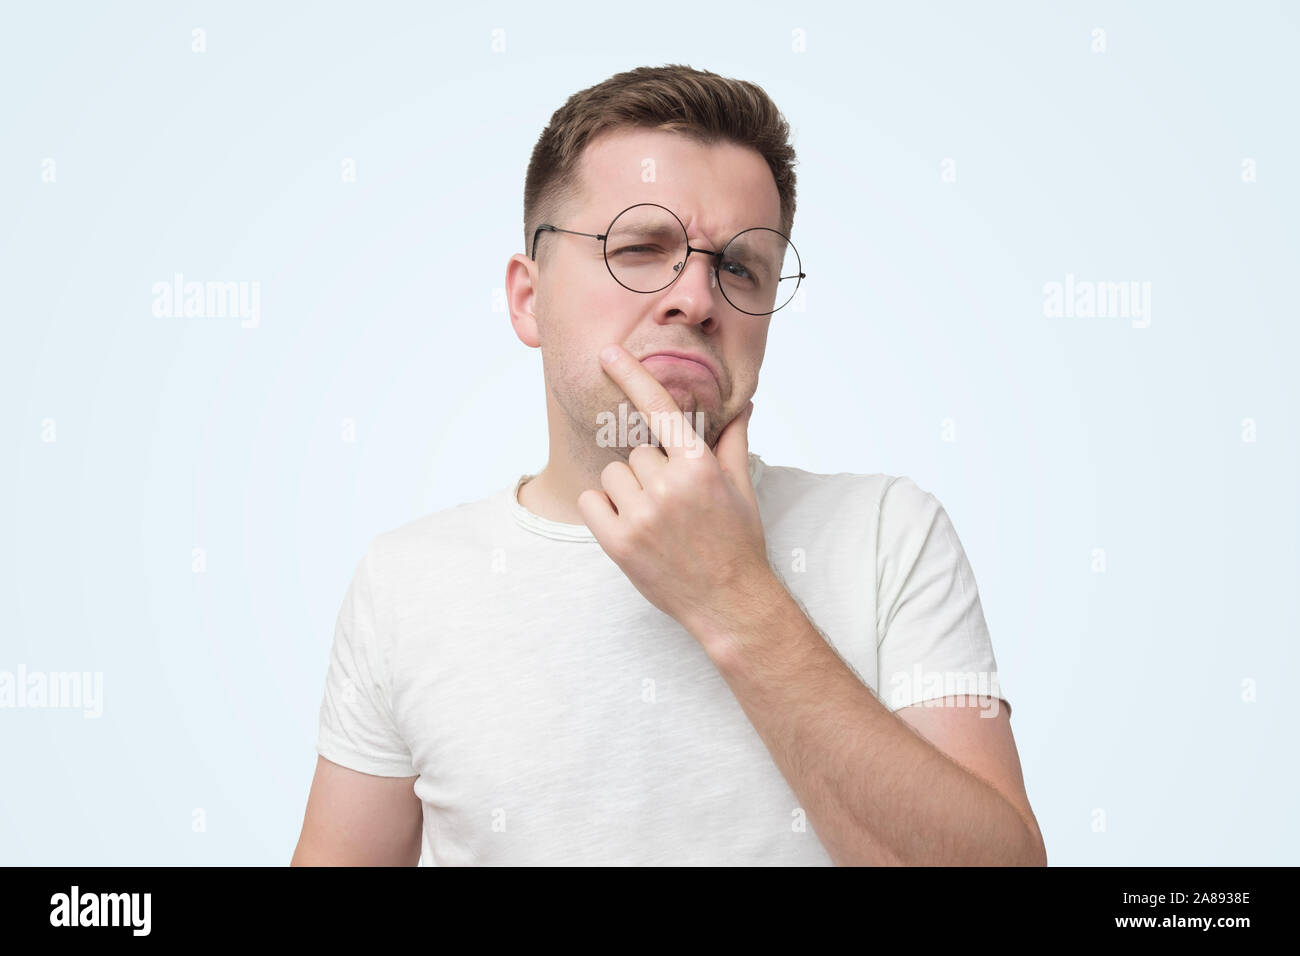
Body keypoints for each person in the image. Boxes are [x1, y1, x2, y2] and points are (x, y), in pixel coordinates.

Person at [292, 64, 1045, 866]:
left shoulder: (891, 535)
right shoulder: (406, 582)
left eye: (739, 265)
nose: (698, 297)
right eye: (643, 249)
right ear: (527, 299)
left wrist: (733, 593)